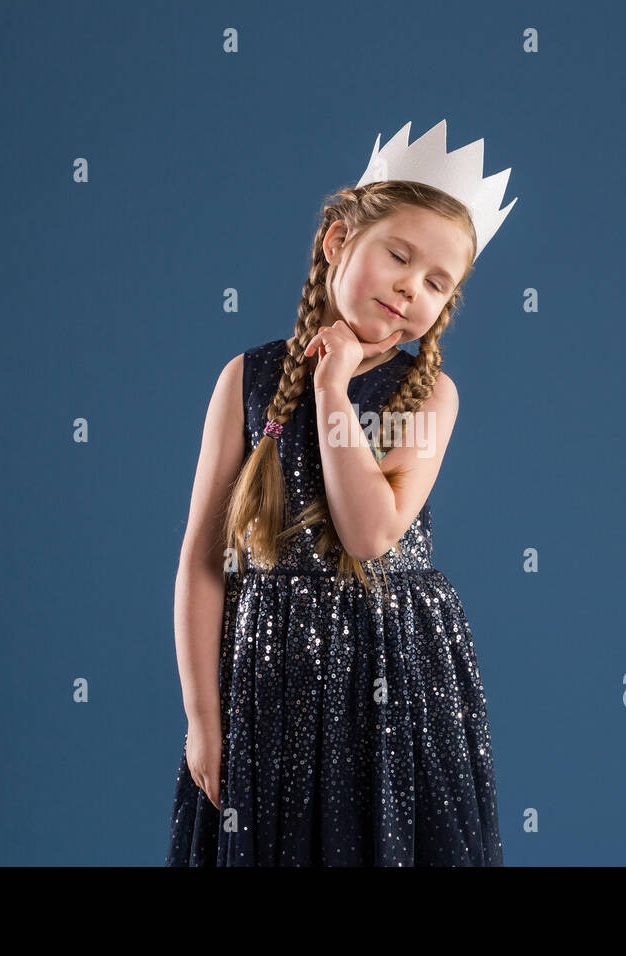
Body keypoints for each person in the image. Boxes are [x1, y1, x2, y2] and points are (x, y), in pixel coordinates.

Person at [167, 120, 517, 866]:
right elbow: (202, 564)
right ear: (336, 241)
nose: (409, 287)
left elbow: (369, 534)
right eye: (399, 255)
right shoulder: (247, 380)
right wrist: (204, 719)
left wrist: (331, 386)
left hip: (395, 685)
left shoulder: (429, 398)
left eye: (436, 282)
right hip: (269, 684)